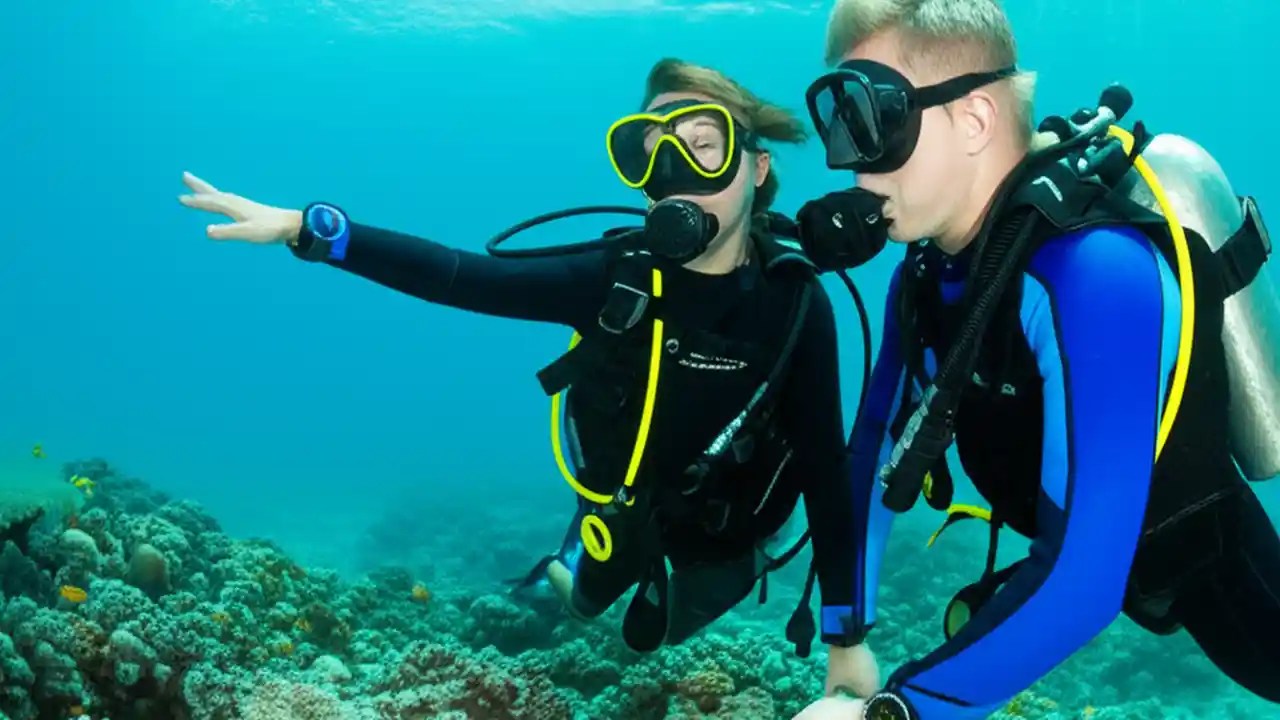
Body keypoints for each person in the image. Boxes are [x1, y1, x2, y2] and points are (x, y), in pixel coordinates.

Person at [177, 57, 881, 696]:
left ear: (756, 169)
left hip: (726, 532)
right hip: (618, 502)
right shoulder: (615, 279)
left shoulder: (794, 305)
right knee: (580, 598)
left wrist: (846, 639)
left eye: (703, 146)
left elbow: (825, 469)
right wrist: (314, 229)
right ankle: (570, 569)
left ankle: (653, 576)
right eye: (652, 154)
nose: (677, 176)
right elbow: (462, 276)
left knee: (674, 622)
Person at [787, 0, 1280, 718]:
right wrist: (845, 634)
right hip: (1073, 550)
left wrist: (900, 710)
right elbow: (871, 450)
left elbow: (1083, 586)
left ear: (977, 119)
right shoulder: (924, 279)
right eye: (841, 126)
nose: (852, 165)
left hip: (1201, 562)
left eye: (872, 121)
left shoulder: (1093, 273)